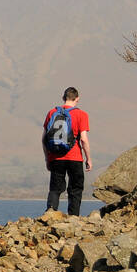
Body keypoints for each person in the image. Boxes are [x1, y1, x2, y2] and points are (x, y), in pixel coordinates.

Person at [42, 87, 91, 215]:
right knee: (75, 188)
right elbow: (84, 140)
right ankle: (73, 217)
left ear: (63, 98)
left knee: (55, 188)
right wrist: (88, 159)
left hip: (55, 157)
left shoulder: (52, 113)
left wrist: (47, 158)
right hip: (75, 157)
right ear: (77, 99)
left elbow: (44, 138)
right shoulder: (82, 114)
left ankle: (50, 213)